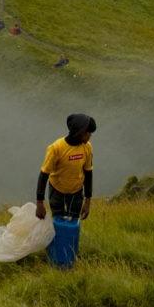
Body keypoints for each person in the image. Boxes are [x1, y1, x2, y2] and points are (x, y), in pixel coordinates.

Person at [34, 113, 95, 268]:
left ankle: (70, 257)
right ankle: (55, 257)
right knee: (58, 223)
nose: (90, 136)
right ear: (79, 132)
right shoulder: (56, 148)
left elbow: (88, 173)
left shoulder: (87, 147)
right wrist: (39, 203)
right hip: (57, 191)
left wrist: (88, 201)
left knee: (73, 223)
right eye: (88, 132)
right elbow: (44, 175)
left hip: (76, 191)